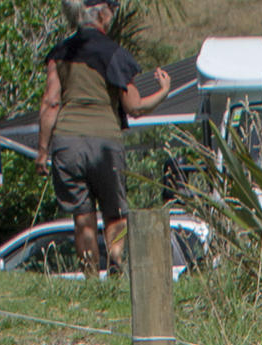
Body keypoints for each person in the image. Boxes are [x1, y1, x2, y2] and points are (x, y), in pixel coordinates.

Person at [35, 0, 171, 281]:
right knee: (116, 214)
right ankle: (116, 267)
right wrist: (164, 91)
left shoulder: (60, 53)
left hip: (67, 144)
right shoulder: (114, 53)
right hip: (105, 143)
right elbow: (134, 107)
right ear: (103, 14)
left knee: (82, 218)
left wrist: (42, 152)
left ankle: (90, 279)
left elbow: (51, 103)